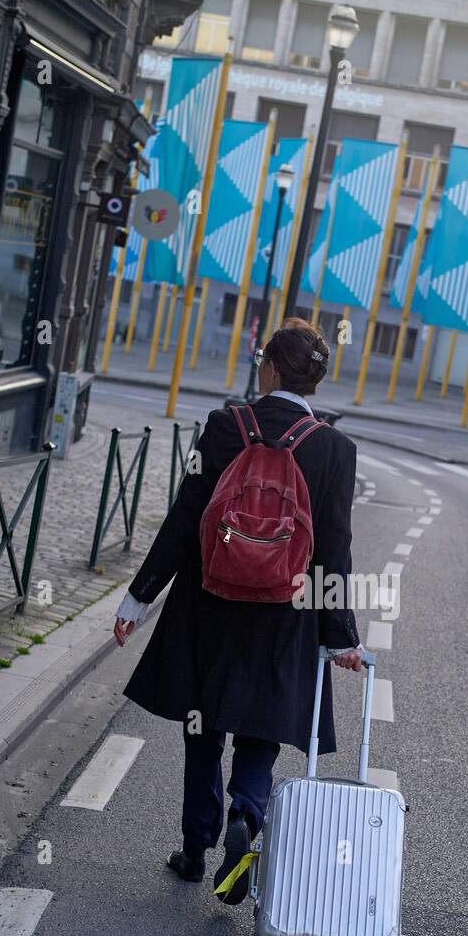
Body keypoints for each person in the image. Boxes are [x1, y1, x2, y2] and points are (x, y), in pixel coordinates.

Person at [113, 318, 362, 904]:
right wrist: (341, 635)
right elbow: (334, 549)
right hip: (285, 611)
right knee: (261, 729)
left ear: (269, 367)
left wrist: (138, 598)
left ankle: (194, 850)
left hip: (209, 602)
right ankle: (246, 812)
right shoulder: (334, 450)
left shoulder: (226, 427)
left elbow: (183, 519)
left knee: (203, 729)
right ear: (315, 381)